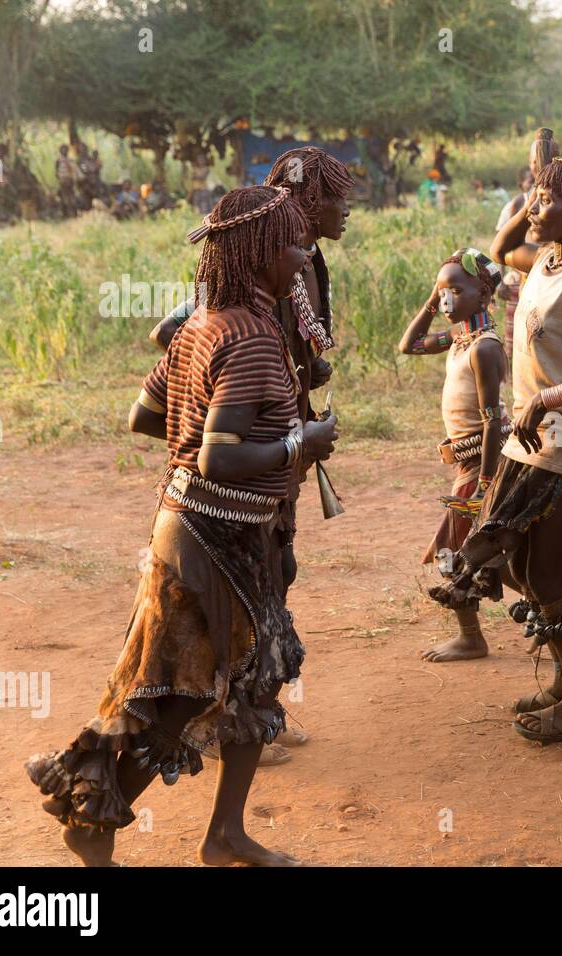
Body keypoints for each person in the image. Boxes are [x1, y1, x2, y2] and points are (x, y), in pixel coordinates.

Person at [25, 185, 339, 866]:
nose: (301, 256)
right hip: (210, 544)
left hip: (204, 530)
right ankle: (93, 821)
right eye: (291, 244)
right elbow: (218, 454)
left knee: (258, 678)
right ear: (259, 253)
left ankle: (225, 833)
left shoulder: (203, 324)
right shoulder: (252, 338)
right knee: (176, 698)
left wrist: (209, 433)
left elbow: (145, 415)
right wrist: (297, 445)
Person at [149, 146, 354, 764]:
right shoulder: (263, 255)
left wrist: (299, 372)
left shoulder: (306, 259)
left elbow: (300, 339)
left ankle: (255, 702)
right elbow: (181, 327)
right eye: (338, 198)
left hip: (273, 439)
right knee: (245, 581)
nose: (345, 211)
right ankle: (226, 713)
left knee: (276, 566)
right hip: (244, 453)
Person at [431, 148, 562, 744]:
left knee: (545, 572)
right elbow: (497, 250)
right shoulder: (544, 259)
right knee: (519, 562)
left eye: (547, 200)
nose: (533, 208)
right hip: (529, 440)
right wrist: (542, 173)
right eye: (535, 197)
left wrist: (550, 399)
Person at [400, 249, 509, 662]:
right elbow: (409, 345)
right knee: (477, 548)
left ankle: (471, 637)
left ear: (483, 293)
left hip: (481, 463)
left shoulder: (483, 347)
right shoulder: (460, 336)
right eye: (442, 292)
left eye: (455, 291)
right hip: (467, 461)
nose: (446, 301)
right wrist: (432, 298)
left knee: (453, 547)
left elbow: (493, 421)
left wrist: (482, 483)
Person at [494, 166, 534, 373]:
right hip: (516, 274)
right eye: (530, 181)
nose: (533, 184)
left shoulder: (546, 206)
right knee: (512, 329)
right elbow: (501, 245)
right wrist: (499, 279)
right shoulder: (514, 206)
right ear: (521, 185)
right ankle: (510, 369)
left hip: (537, 274)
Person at [55, 144, 79, 218]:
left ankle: (73, 214)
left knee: (71, 197)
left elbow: (74, 171)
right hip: (63, 181)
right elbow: (56, 172)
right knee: (65, 197)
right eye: (63, 150)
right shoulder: (58, 161)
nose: (64, 151)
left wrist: (73, 180)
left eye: (65, 150)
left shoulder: (70, 160)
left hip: (69, 181)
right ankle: (67, 214)